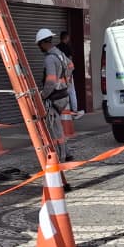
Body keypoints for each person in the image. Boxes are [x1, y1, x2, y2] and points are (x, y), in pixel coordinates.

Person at [35, 28, 73, 166]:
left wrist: (43, 95)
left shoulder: (50, 59)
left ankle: (61, 158)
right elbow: (71, 65)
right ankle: (67, 153)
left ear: (43, 43)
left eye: (39, 45)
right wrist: (66, 80)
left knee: (56, 129)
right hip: (63, 95)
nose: (39, 48)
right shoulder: (60, 53)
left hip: (54, 97)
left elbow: (50, 81)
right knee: (59, 127)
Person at [56, 31, 83, 119]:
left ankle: (60, 111)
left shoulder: (56, 48)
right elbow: (70, 63)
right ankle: (74, 111)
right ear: (66, 38)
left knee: (60, 92)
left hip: (59, 74)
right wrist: (70, 75)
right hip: (67, 74)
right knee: (71, 92)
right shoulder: (68, 48)